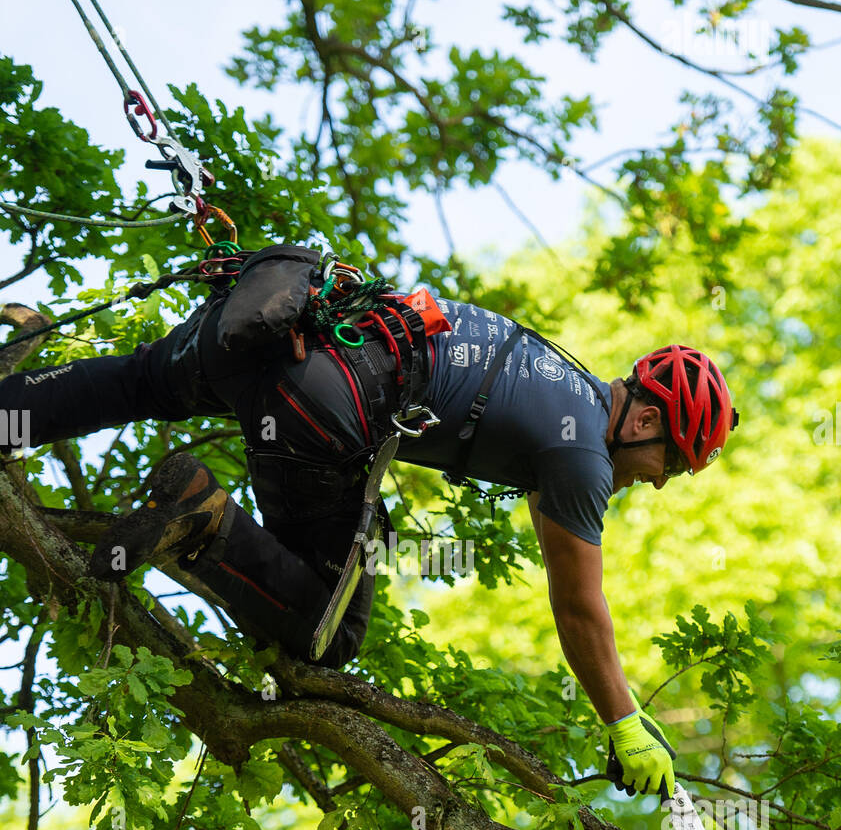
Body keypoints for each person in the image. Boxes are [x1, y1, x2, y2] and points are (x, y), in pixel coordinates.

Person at [0, 255, 737, 800]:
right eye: (667, 461)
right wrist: (623, 721)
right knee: (330, 628)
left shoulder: (555, 380)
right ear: (643, 420)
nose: (657, 480)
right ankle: (201, 515)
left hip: (266, 333)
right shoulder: (582, 456)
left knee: (130, 381)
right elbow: (578, 606)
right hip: (321, 408)